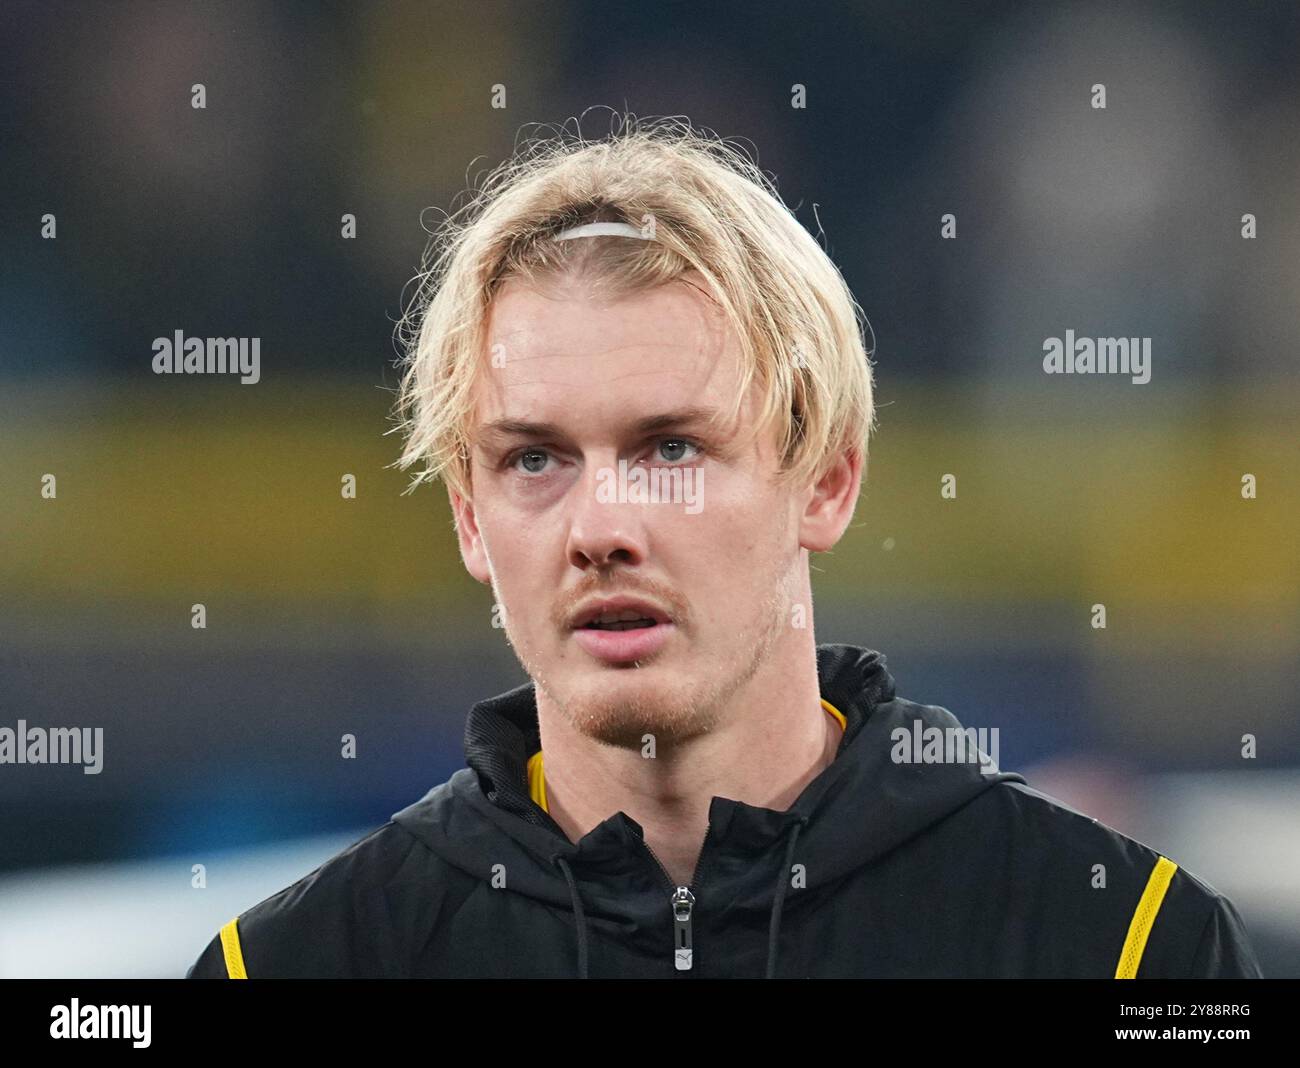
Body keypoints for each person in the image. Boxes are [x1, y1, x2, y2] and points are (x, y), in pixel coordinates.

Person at [187, 117, 1262, 978]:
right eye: (532, 460)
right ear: (468, 518)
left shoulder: (1123, 948)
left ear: (827, 480)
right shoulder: (290, 963)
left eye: (671, 448)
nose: (601, 530)